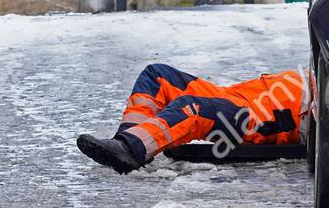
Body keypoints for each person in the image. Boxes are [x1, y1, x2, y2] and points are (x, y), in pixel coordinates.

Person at [76, 62, 309, 173]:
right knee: (157, 75)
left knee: (191, 109)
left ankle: (133, 149)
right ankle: (125, 140)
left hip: (260, 117)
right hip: (236, 95)